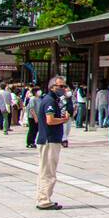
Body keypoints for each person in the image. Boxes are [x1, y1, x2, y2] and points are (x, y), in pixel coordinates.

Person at [35, 75, 71, 210]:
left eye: (64, 86)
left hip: (50, 138)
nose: (63, 89)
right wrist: (63, 120)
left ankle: (43, 197)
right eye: (60, 86)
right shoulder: (49, 100)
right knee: (48, 172)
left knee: (45, 170)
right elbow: (50, 120)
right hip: (49, 139)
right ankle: (44, 200)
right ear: (52, 87)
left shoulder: (52, 100)